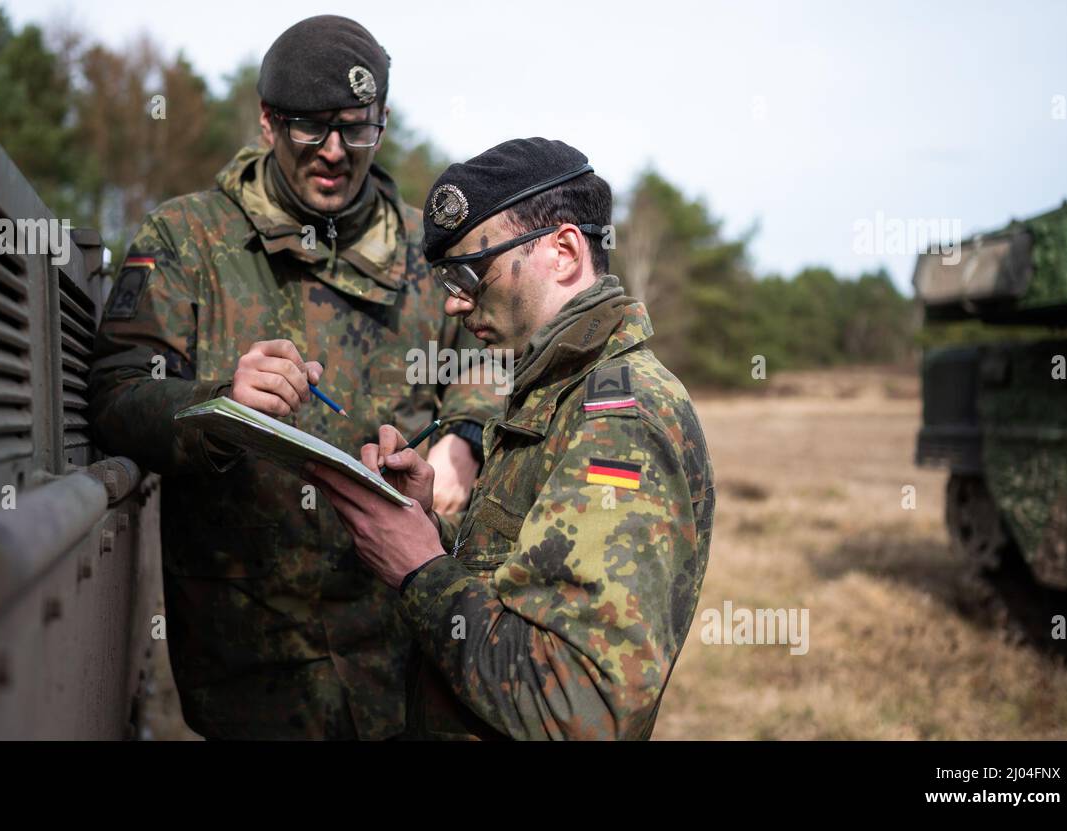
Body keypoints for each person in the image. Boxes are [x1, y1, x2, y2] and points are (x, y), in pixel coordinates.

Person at [89, 15, 497, 740]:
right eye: (311, 129)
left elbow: (490, 356)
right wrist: (219, 401)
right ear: (267, 120)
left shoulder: (426, 259)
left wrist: (462, 437)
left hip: (406, 657)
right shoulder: (187, 241)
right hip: (251, 668)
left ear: (382, 121)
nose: (336, 153)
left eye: (357, 129)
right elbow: (118, 399)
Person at [307, 138, 715, 740]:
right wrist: (424, 524)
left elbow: (581, 706)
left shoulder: (618, 422)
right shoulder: (556, 389)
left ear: (564, 250)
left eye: (472, 272)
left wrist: (419, 569)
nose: (453, 302)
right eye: (447, 277)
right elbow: (522, 588)